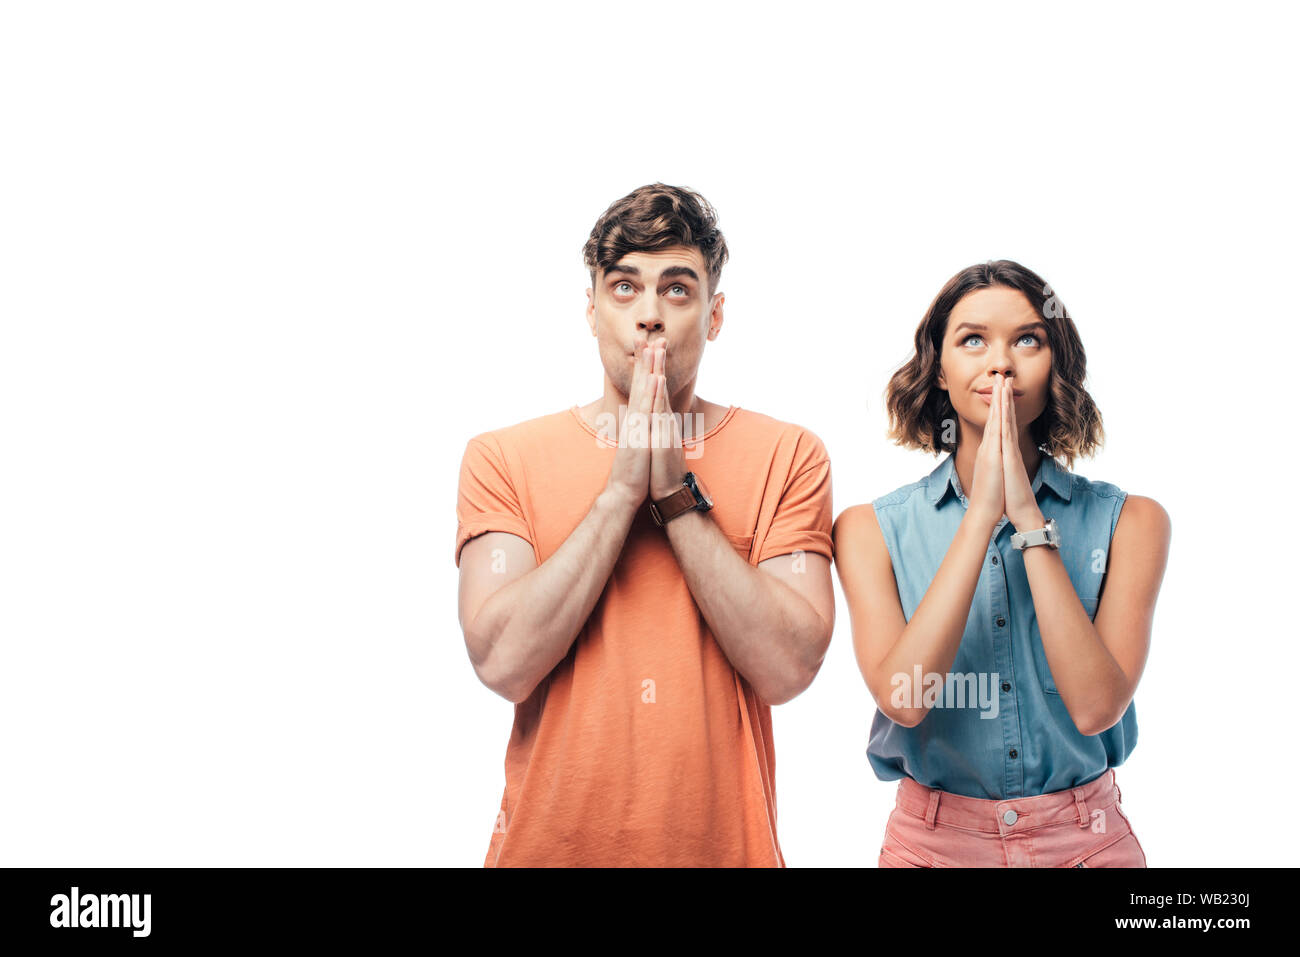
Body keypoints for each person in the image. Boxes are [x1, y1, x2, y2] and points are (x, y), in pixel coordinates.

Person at [454, 183, 835, 866]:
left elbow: (788, 668)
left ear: (715, 315)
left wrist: (675, 498)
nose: (650, 316)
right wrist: (619, 494)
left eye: (677, 290)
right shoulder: (501, 457)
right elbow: (502, 661)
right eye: (624, 288)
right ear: (591, 310)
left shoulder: (790, 455)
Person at [832, 260, 1170, 867]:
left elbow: (1097, 708)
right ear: (939, 367)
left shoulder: (1133, 523)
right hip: (932, 846)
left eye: (1028, 339)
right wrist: (981, 516)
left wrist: (1029, 522)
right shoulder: (868, 530)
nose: (1001, 362)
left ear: (1056, 362)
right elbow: (905, 699)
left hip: (1086, 843)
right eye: (972, 340)